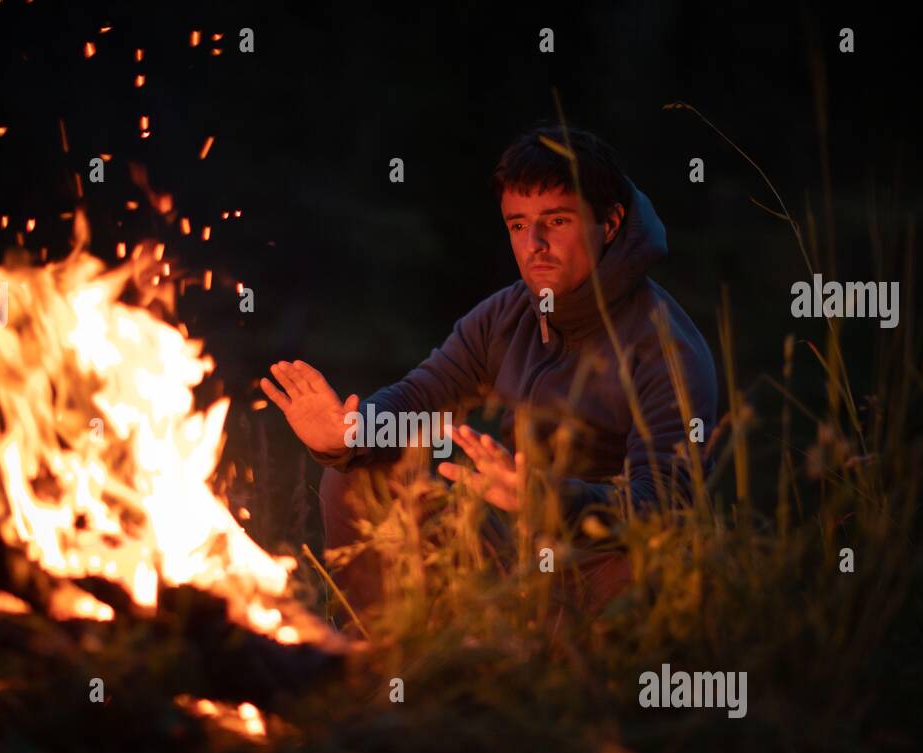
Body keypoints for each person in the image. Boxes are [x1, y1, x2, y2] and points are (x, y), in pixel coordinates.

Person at [260, 125, 718, 622]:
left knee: (638, 566)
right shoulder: (505, 316)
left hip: (604, 566)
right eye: (518, 225)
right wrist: (347, 433)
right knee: (357, 476)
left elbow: (667, 504)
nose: (535, 244)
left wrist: (549, 500)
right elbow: (420, 397)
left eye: (557, 221)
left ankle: (568, 680)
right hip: (513, 547)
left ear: (609, 223)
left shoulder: (664, 345)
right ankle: (376, 667)